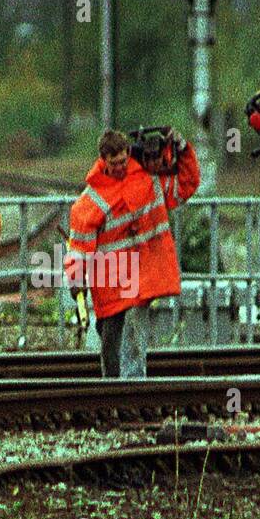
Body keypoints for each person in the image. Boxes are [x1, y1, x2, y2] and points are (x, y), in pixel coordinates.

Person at [65, 128, 200, 378]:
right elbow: (79, 248)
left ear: (129, 153)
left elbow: (187, 183)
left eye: (123, 161)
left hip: (140, 281)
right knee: (110, 340)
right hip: (110, 287)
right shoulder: (91, 201)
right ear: (102, 160)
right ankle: (118, 391)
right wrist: (76, 282)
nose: (119, 167)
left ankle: (129, 392)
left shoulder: (148, 181)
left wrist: (181, 147)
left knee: (132, 337)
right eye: (114, 163)